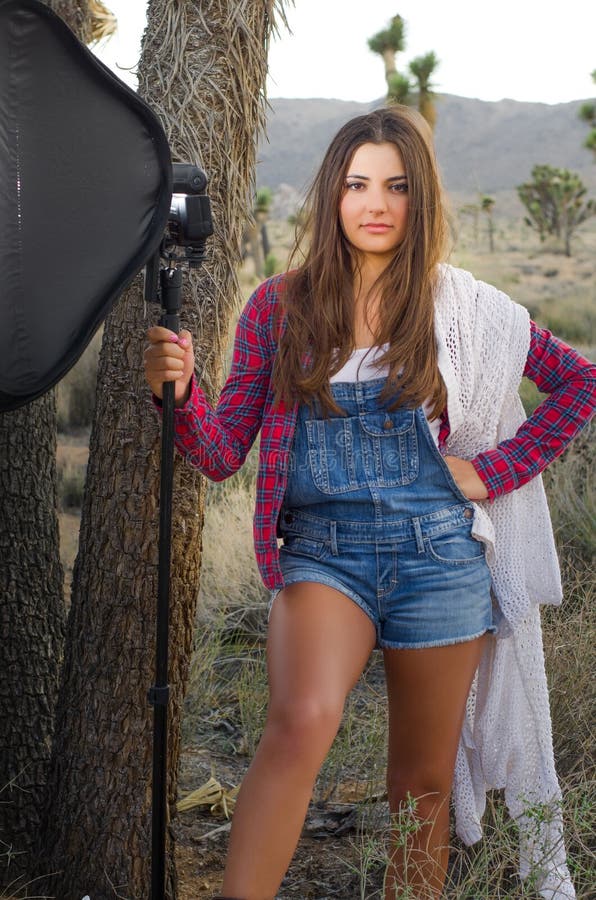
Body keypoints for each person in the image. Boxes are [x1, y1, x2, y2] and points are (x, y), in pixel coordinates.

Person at [144, 106, 595, 900]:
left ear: (421, 199)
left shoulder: (463, 311)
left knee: (420, 786)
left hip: (441, 558)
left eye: (395, 185)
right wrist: (178, 396)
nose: (375, 203)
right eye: (356, 184)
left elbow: (580, 383)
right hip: (324, 553)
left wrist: (490, 472)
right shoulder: (278, 309)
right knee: (300, 723)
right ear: (332, 195)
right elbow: (219, 457)